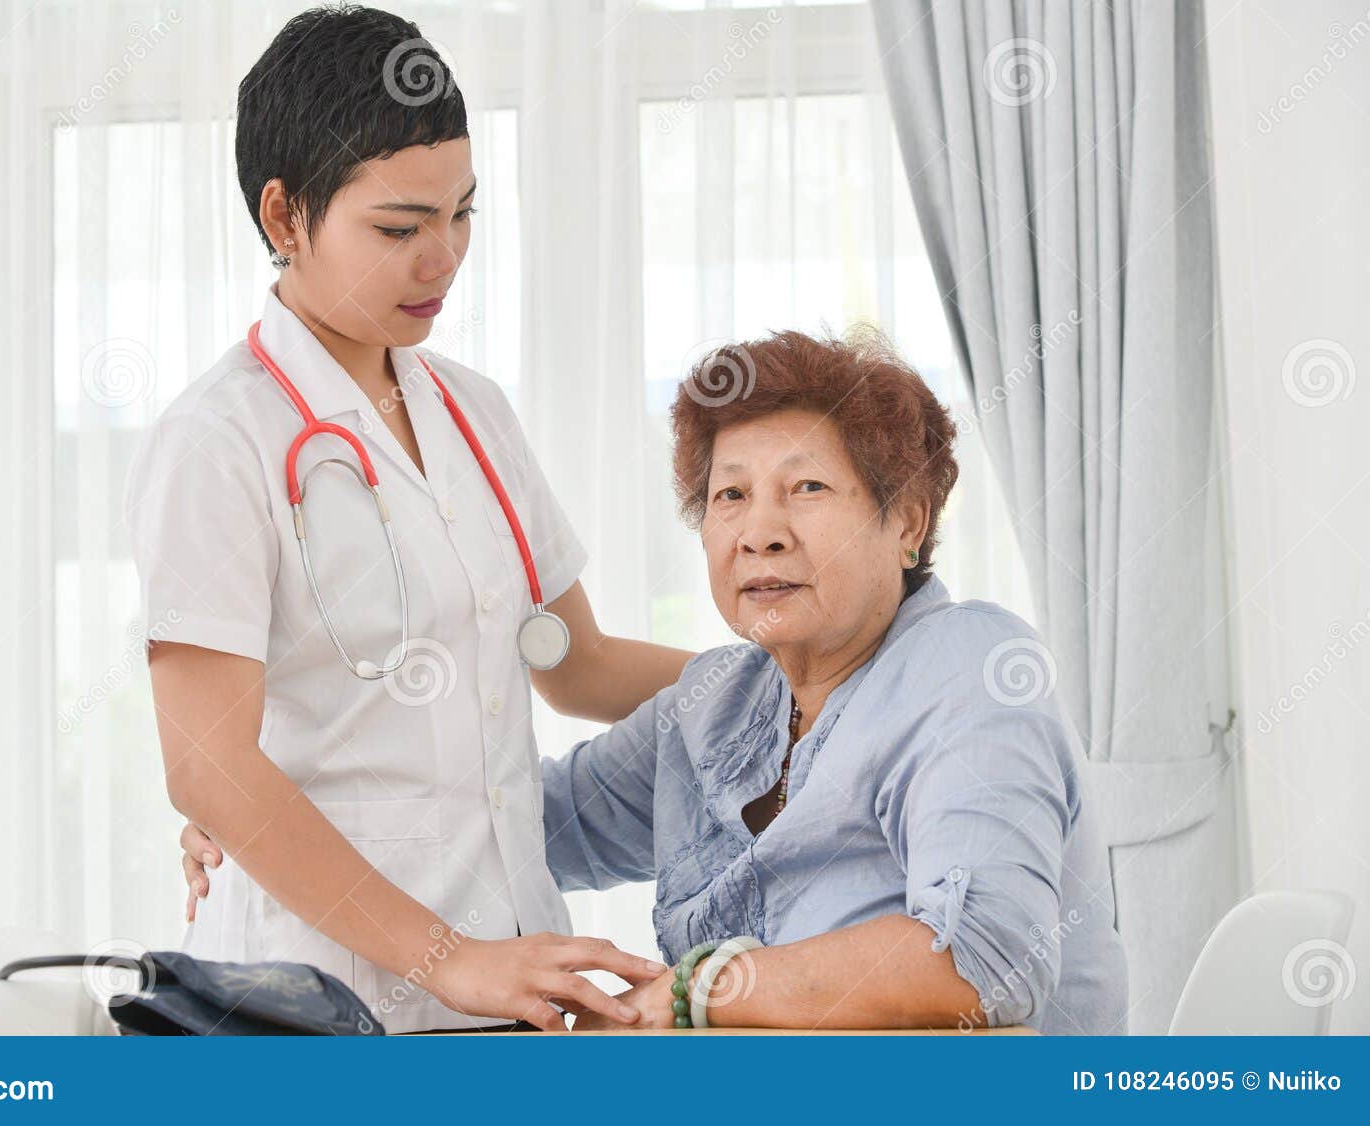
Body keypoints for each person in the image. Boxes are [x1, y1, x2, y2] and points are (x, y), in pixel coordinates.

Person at [187, 327, 1131, 1033]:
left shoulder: (968, 674)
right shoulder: (716, 707)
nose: (759, 529)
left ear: (908, 522)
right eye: (729, 496)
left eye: (807, 489)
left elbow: (986, 957)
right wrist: (266, 808)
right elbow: (506, 820)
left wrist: (693, 993)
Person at [126, 2, 691, 1034]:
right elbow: (209, 763)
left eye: (462, 213)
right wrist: (448, 959)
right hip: (317, 1005)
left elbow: (572, 660)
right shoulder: (218, 441)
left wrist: (798, 680)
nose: (444, 259)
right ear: (284, 217)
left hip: (509, 988)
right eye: (399, 228)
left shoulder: (474, 413)